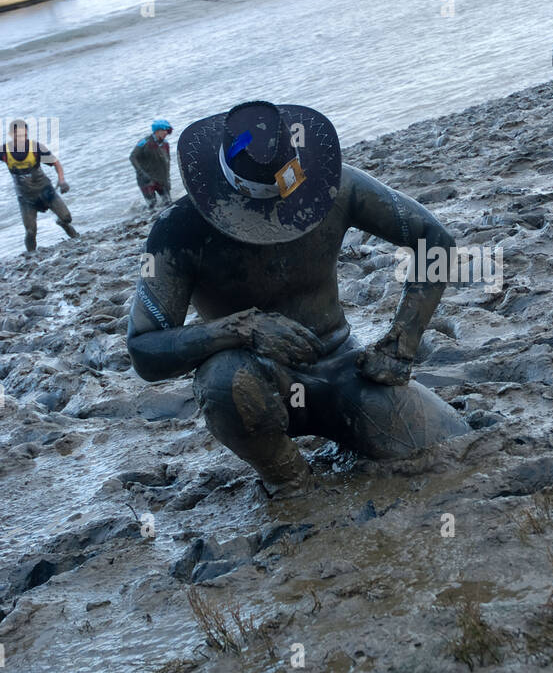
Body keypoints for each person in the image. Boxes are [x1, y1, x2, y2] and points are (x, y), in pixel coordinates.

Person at [127, 100, 469, 496]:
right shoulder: (178, 231)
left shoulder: (336, 186)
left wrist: (403, 341)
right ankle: (288, 479)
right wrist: (242, 328)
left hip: (343, 366)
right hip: (255, 379)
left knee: (447, 447)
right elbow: (144, 349)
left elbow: (436, 241)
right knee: (224, 382)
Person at [0, 119, 78, 253]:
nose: (22, 139)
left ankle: (74, 237)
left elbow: (56, 163)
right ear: (11, 135)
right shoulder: (4, 152)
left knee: (66, 218)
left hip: (46, 192)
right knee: (30, 231)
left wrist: (62, 180)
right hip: (25, 198)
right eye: (18, 136)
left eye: (24, 135)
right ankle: (31, 257)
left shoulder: (36, 148)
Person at [130, 119, 173, 209]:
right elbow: (132, 157)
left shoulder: (165, 144)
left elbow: (167, 162)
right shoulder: (144, 142)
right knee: (152, 205)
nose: (166, 133)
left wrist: (167, 179)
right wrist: (141, 173)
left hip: (161, 179)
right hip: (146, 179)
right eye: (164, 131)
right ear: (157, 131)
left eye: (167, 131)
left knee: (168, 203)